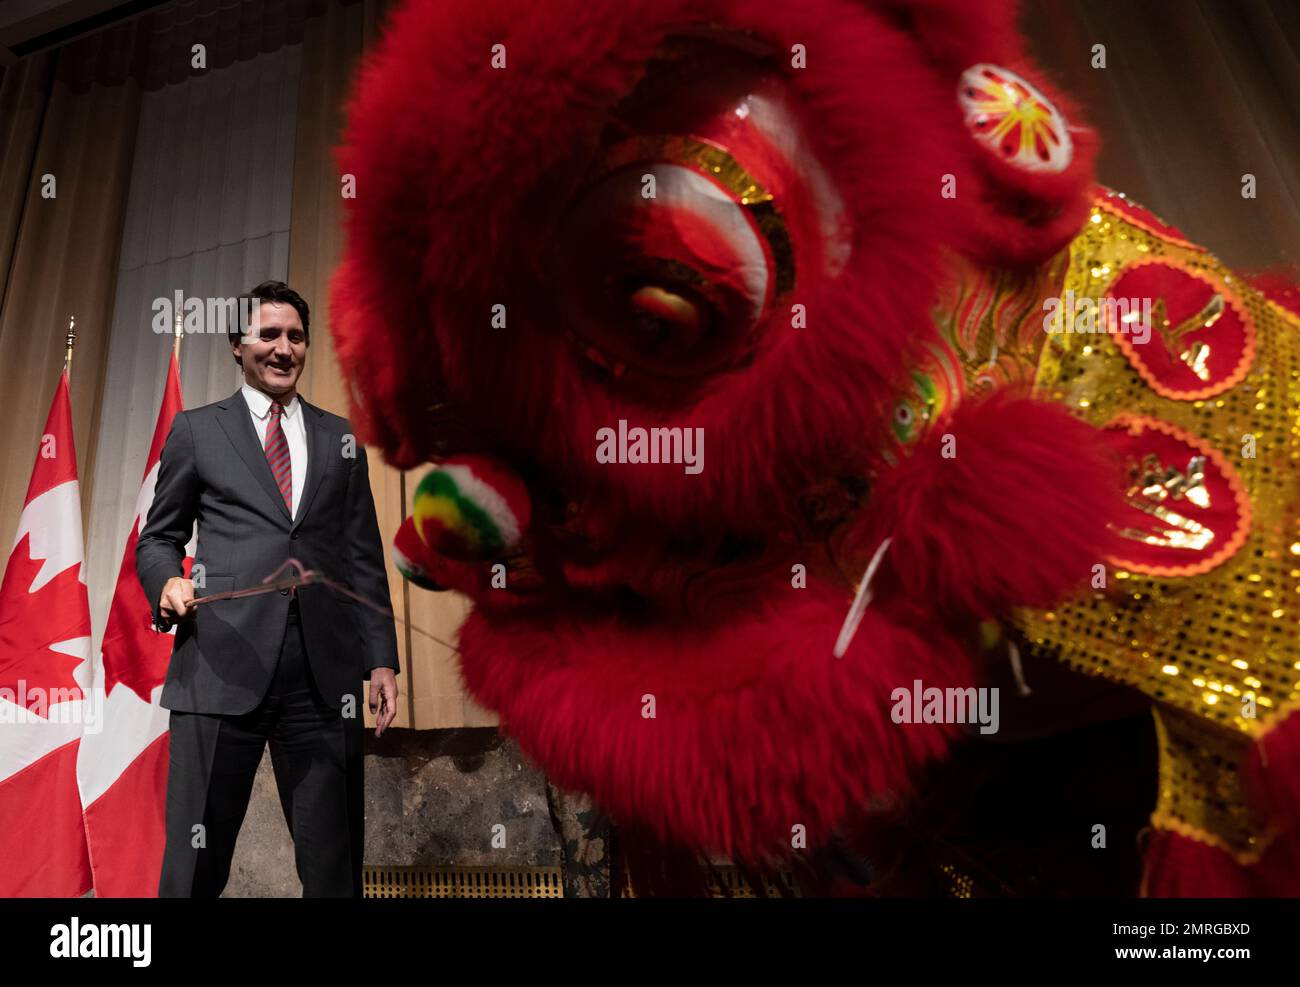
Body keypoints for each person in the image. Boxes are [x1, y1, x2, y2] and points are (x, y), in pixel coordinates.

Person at [137, 280, 399, 897]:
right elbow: (158, 538)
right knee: (194, 866)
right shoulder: (198, 431)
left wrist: (381, 657)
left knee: (334, 872)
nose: (284, 349)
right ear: (237, 345)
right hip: (218, 670)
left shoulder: (341, 438)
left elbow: (363, 556)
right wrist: (167, 582)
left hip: (323, 679)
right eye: (269, 335)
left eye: (296, 337)